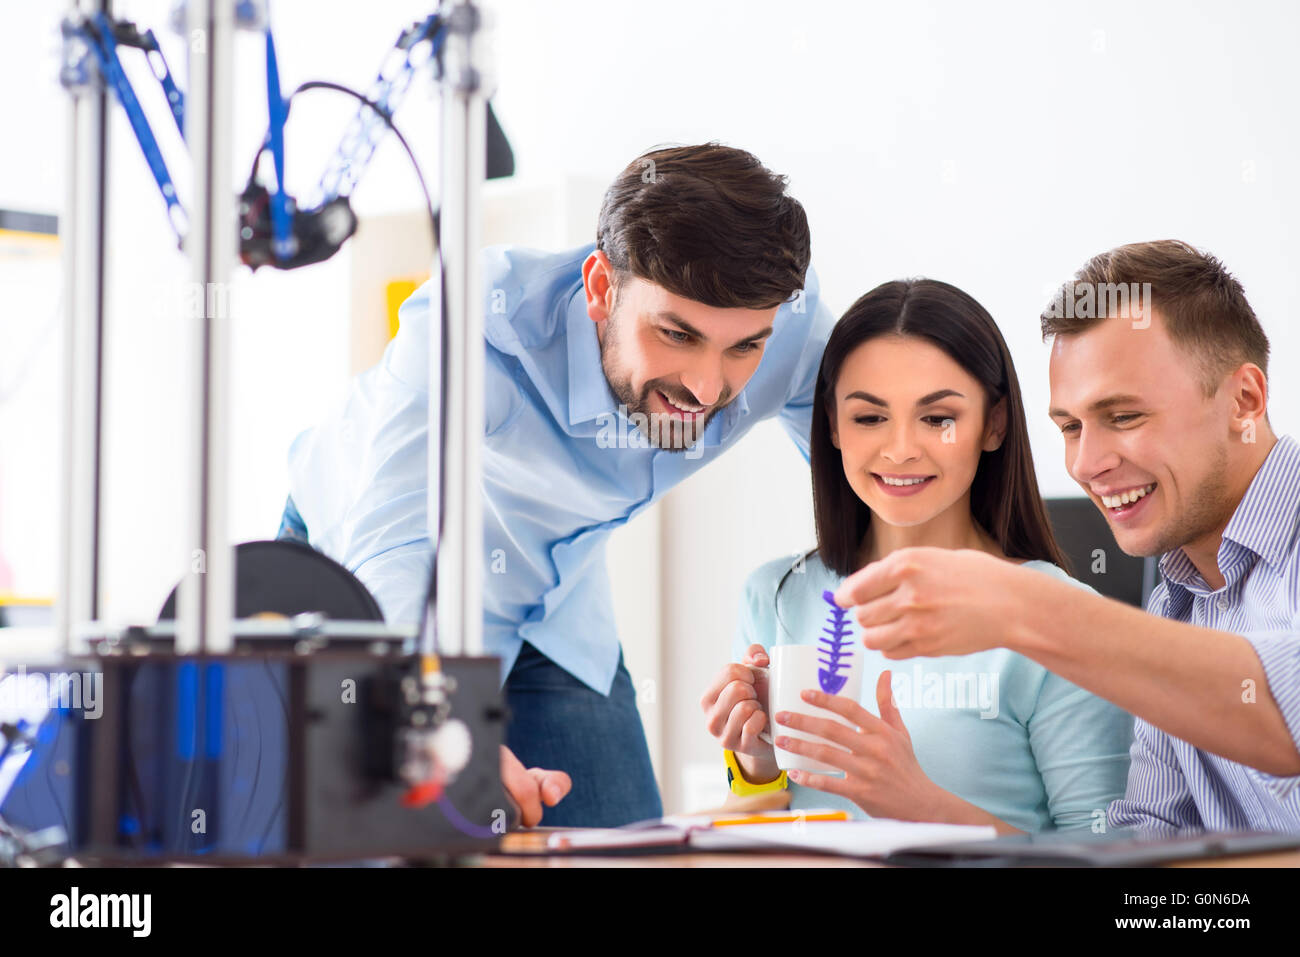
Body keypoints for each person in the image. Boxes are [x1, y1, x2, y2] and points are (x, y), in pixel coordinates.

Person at [283, 143, 835, 826]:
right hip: (360, 565)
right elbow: (394, 542)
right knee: (380, 833)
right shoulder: (475, 326)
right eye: (676, 334)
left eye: (744, 346)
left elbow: (872, 475)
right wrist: (437, 728)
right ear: (602, 288)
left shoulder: (789, 323)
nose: (707, 387)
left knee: (624, 851)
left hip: (555, 590)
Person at [832, 240, 1300, 834]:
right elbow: (1144, 839)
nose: (1086, 463)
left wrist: (1029, 609)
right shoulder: (1178, 600)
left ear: (1244, 400)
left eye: (1124, 416)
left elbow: (1289, 713)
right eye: (1070, 427)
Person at [700, 279, 1133, 832]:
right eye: (868, 417)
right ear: (832, 424)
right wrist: (756, 765)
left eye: (937, 418)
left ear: (993, 424)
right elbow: (767, 820)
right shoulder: (775, 596)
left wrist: (917, 804)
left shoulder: (1063, 617)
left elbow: (1105, 856)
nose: (901, 448)